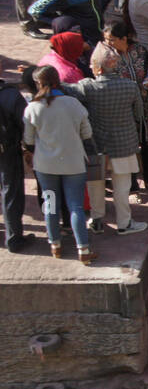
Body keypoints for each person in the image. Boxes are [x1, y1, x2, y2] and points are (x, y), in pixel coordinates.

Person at [21, 65, 96, 263]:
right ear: (57, 81)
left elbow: (28, 139)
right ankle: (84, 250)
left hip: (45, 166)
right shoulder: (73, 104)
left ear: (37, 83)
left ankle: (55, 246)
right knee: (76, 207)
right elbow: (87, 134)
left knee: (50, 205)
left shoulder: (32, 107)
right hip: (73, 163)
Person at [75, 41, 146, 236]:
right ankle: (124, 223)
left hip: (95, 144)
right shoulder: (130, 86)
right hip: (124, 143)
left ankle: (97, 220)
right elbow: (139, 114)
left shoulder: (86, 87)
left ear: (98, 68)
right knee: (122, 187)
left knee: (95, 184)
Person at [99, 19, 148, 187]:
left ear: (124, 38)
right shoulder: (106, 57)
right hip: (123, 109)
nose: (107, 43)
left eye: (111, 39)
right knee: (128, 149)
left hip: (146, 106)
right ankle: (132, 186)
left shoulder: (140, 50)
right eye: (106, 40)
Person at [0, 66, 29, 252]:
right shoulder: (10, 95)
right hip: (7, 151)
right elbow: (26, 123)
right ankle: (14, 238)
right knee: (11, 193)